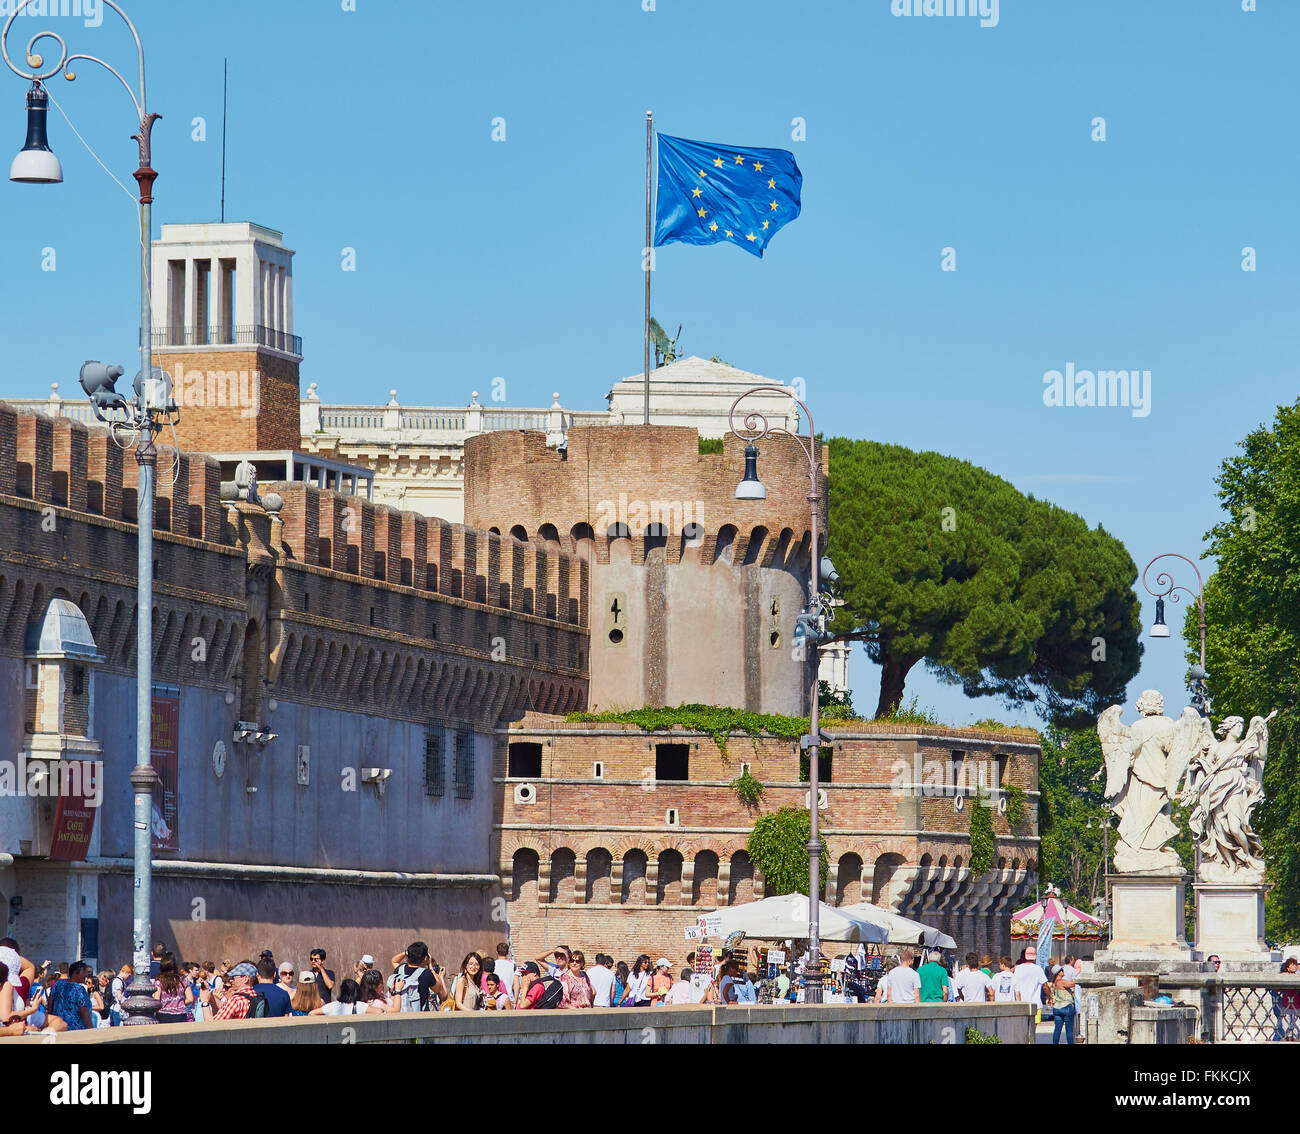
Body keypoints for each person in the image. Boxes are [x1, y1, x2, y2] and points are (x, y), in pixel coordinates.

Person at [388, 941, 447, 1012]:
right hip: (419, 1014)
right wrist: (430, 967)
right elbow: (439, 990)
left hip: (400, 1012)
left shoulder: (400, 969)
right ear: (425, 958)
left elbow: (394, 961)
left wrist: (408, 952)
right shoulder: (426, 973)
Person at [46, 960, 94, 1031]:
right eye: (83, 972)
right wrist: (90, 1028)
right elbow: (83, 1010)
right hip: (75, 1029)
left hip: (58, 1026)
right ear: (75, 972)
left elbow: (50, 1002)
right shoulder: (79, 989)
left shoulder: (58, 984)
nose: (86, 975)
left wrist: (50, 1021)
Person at [153, 954, 189, 1024]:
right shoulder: (183, 979)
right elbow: (190, 999)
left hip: (163, 1014)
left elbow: (156, 999)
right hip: (180, 1015)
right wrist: (179, 1004)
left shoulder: (159, 980)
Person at [1012, 946, 1047, 1012]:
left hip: (1022, 1004)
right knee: (1035, 1022)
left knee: (1022, 1022)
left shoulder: (1018, 968)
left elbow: (1015, 985)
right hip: (1036, 1005)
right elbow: (1045, 986)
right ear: (1035, 956)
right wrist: (1049, 996)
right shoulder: (1038, 969)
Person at [1050, 965, 1077, 1045]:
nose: (1063, 971)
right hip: (1066, 1006)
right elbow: (1074, 984)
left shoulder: (1054, 982)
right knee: (1069, 1030)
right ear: (1059, 973)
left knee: (1057, 1029)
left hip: (1057, 1008)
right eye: (1062, 970)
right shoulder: (1061, 981)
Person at [1277, 957, 1300, 1042]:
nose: (1295, 966)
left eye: (1295, 965)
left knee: (1297, 1026)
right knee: (1285, 1025)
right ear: (1288, 967)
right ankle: (1289, 1039)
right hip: (1286, 1004)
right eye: (1292, 965)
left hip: (1296, 1004)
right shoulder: (1284, 976)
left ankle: (1294, 1039)